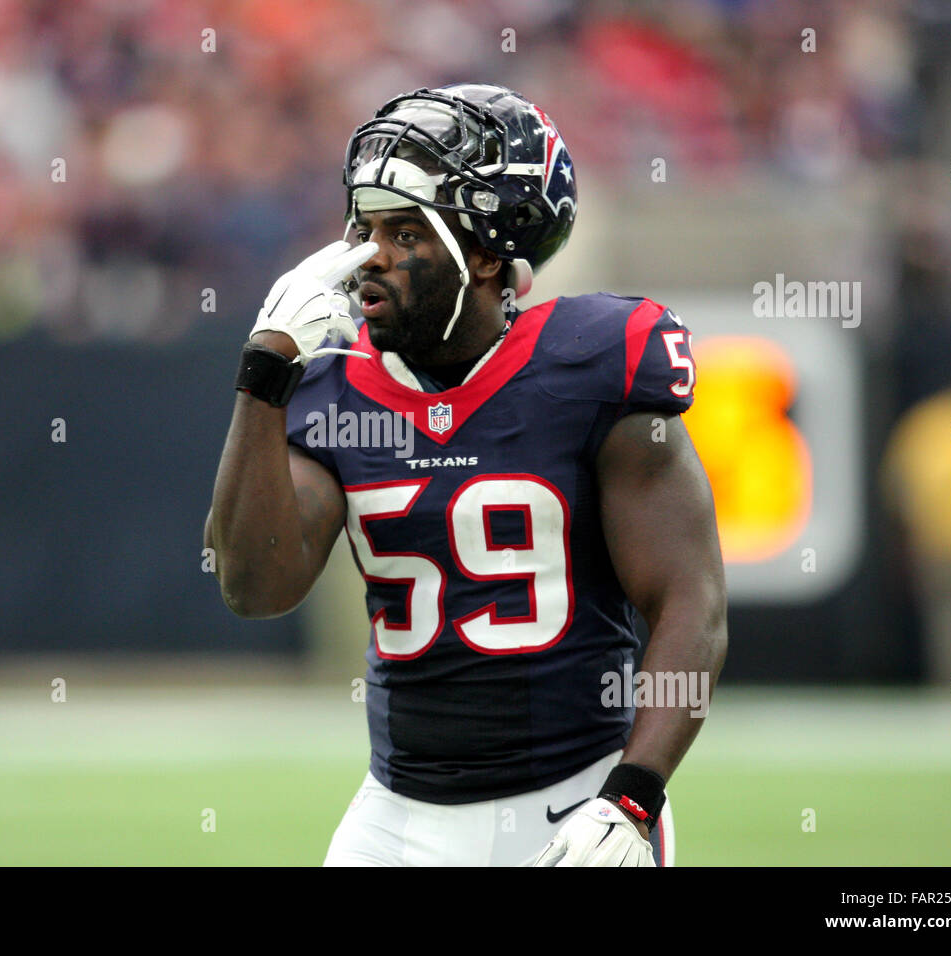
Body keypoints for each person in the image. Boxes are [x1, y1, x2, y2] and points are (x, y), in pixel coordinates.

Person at [205, 83, 727, 866]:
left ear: (486, 253)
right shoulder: (330, 385)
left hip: (577, 797)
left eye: (405, 230)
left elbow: (690, 598)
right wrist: (263, 373)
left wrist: (634, 795)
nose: (369, 256)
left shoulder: (592, 361)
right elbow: (254, 586)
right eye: (364, 226)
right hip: (397, 816)